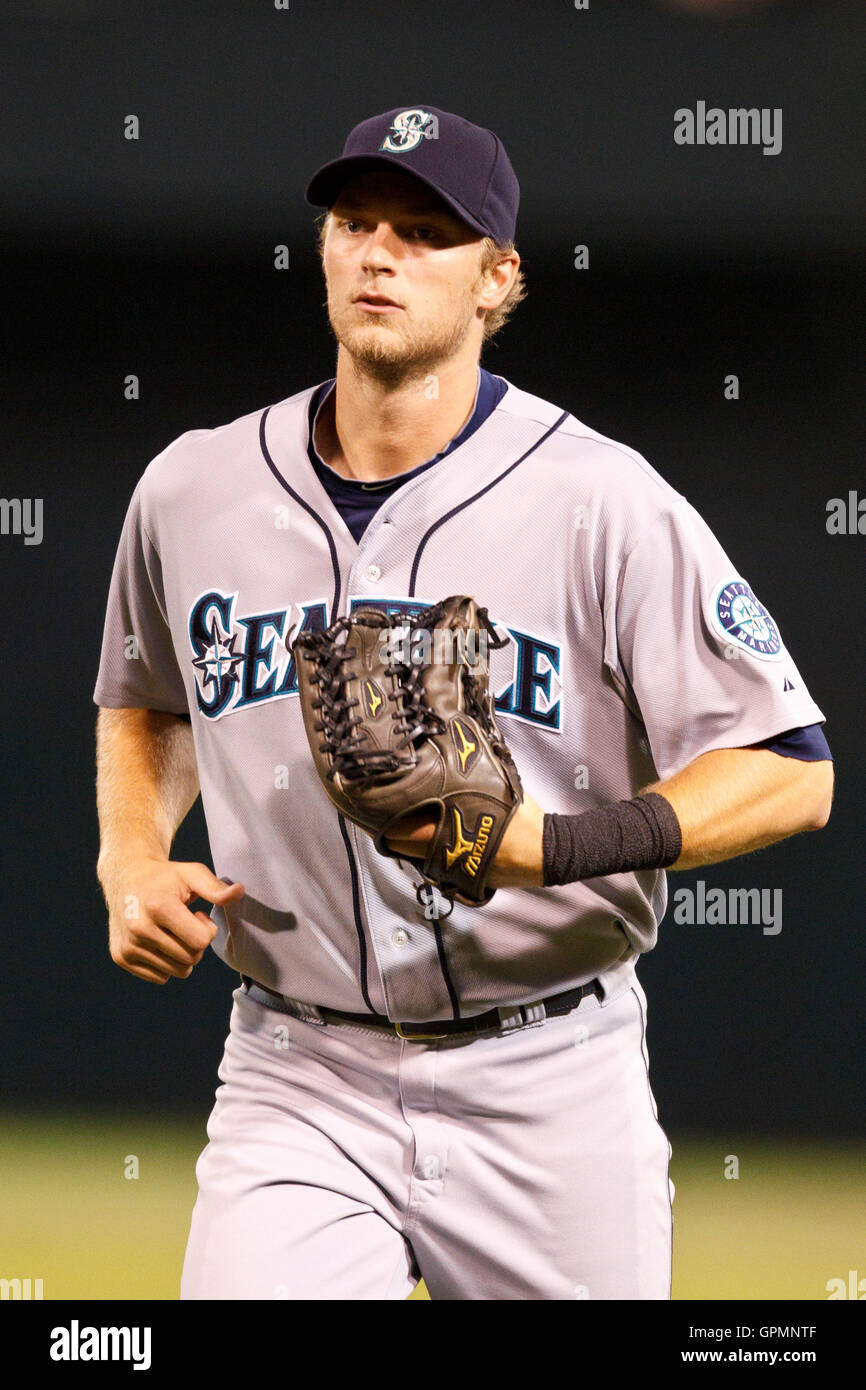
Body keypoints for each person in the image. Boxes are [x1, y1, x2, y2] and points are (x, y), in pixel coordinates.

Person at [93, 105, 834, 1300]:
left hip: (548, 1076)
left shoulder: (606, 500)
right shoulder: (191, 485)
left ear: (499, 279)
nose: (380, 252)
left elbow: (791, 771)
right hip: (297, 1071)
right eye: (355, 222)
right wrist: (131, 856)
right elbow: (146, 695)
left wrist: (554, 847)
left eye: (426, 231)